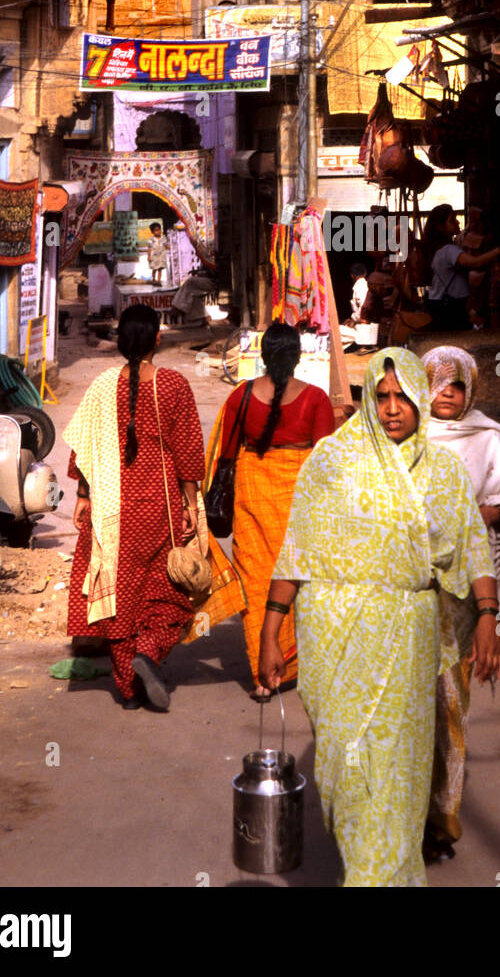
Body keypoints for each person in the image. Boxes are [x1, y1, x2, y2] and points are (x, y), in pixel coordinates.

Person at [258, 348, 500, 887]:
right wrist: (271, 631)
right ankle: (367, 866)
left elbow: (472, 546)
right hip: (334, 637)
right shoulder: (331, 461)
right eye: (381, 396)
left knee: (396, 770)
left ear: (418, 399)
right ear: (369, 399)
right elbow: (298, 549)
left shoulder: (442, 473)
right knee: (346, 766)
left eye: (403, 398)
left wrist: (487, 616)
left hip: (407, 640)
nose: (393, 409)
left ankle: (379, 878)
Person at [422, 344, 500, 859]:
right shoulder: (401, 434)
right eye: (435, 385)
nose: (444, 396)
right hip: (401, 599)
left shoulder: (492, 444)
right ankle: (401, 816)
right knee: (399, 713)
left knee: (449, 708)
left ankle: (441, 819)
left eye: (455, 387)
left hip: (463, 602)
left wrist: (494, 513)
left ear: (470, 391)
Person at [63, 304, 209, 711]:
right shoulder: (174, 386)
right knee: (173, 590)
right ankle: (149, 650)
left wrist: (82, 497)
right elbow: (189, 454)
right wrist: (190, 503)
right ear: (158, 340)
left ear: (121, 341)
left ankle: (127, 689)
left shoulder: (100, 387)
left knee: (119, 598)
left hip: (112, 513)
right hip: (158, 508)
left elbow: (84, 450)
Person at [204, 321, 335, 701]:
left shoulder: (239, 397)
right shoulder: (316, 399)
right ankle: (294, 660)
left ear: (261, 357)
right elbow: (325, 463)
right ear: (297, 358)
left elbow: (225, 455)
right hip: (299, 503)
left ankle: (263, 675)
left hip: (250, 497)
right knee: (298, 576)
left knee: (258, 580)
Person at [422, 204, 500, 331]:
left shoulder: (439, 249)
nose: (457, 222)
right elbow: (476, 262)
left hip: (441, 305)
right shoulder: (449, 251)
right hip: (450, 309)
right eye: (452, 220)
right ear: (440, 227)